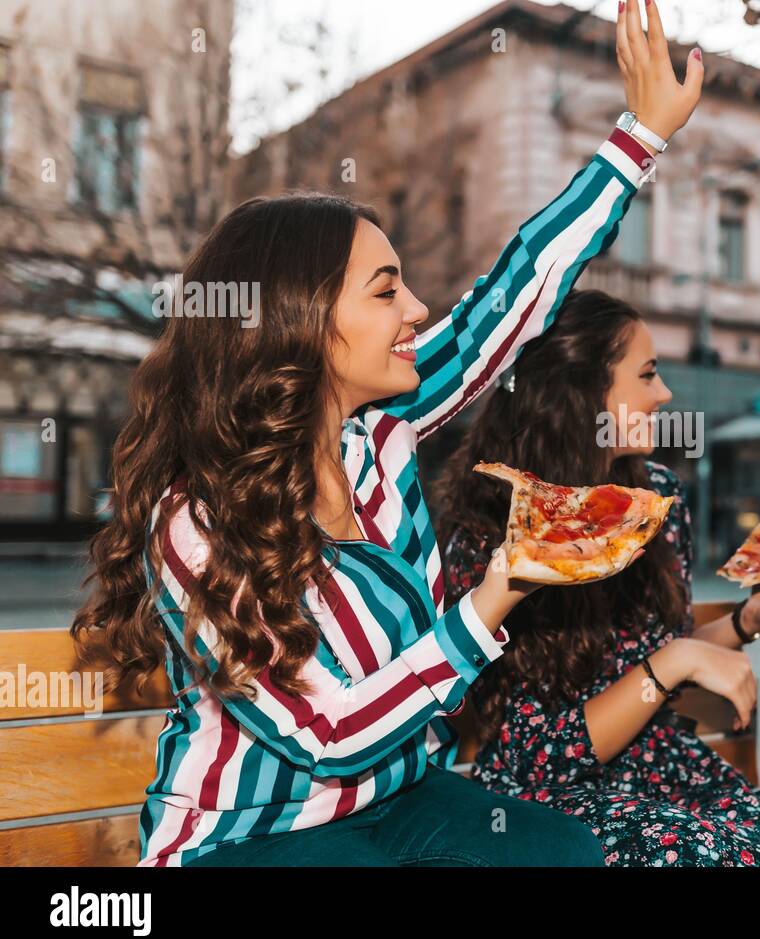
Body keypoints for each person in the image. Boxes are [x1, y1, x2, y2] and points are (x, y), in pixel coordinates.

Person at [71, 1, 704, 867]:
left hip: (402, 796)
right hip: (250, 833)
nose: (415, 310)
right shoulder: (195, 522)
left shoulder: (387, 431)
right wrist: (496, 594)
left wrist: (639, 141)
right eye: (384, 290)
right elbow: (326, 737)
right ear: (299, 320)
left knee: (561, 855)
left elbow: (507, 305)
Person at [435, 290, 760, 866]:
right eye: (647, 374)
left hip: (662, 762)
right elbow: (539, 756)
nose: (665, 394)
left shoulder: (660, 496)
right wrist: (675, 664)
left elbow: (664, 654)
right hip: (548, 793)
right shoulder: (495, 530)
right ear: (581, 393)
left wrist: (753, 616)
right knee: (700, 854)